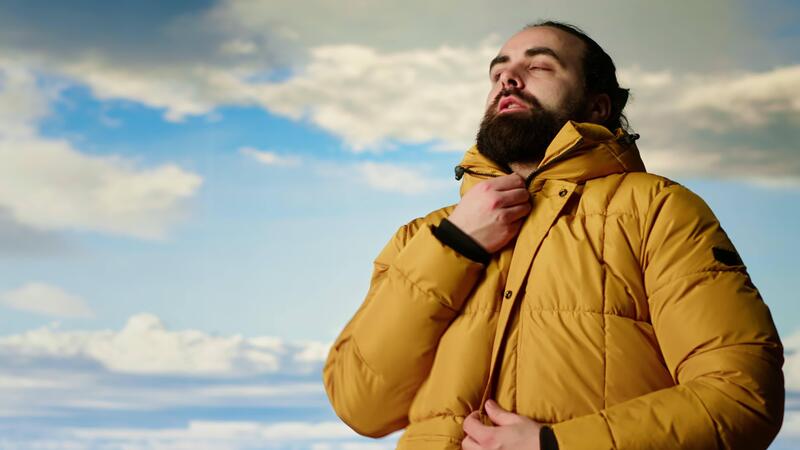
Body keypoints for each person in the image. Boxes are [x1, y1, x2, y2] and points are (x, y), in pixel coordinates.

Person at [322, 20, 785, 450]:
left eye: (539, 66)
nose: (508, 79)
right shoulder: (423, 236)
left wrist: (557, 445)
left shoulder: (656, 209)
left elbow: (741, 397)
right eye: (498, 72)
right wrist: (454, 246)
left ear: (596, 105)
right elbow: (362, 406)